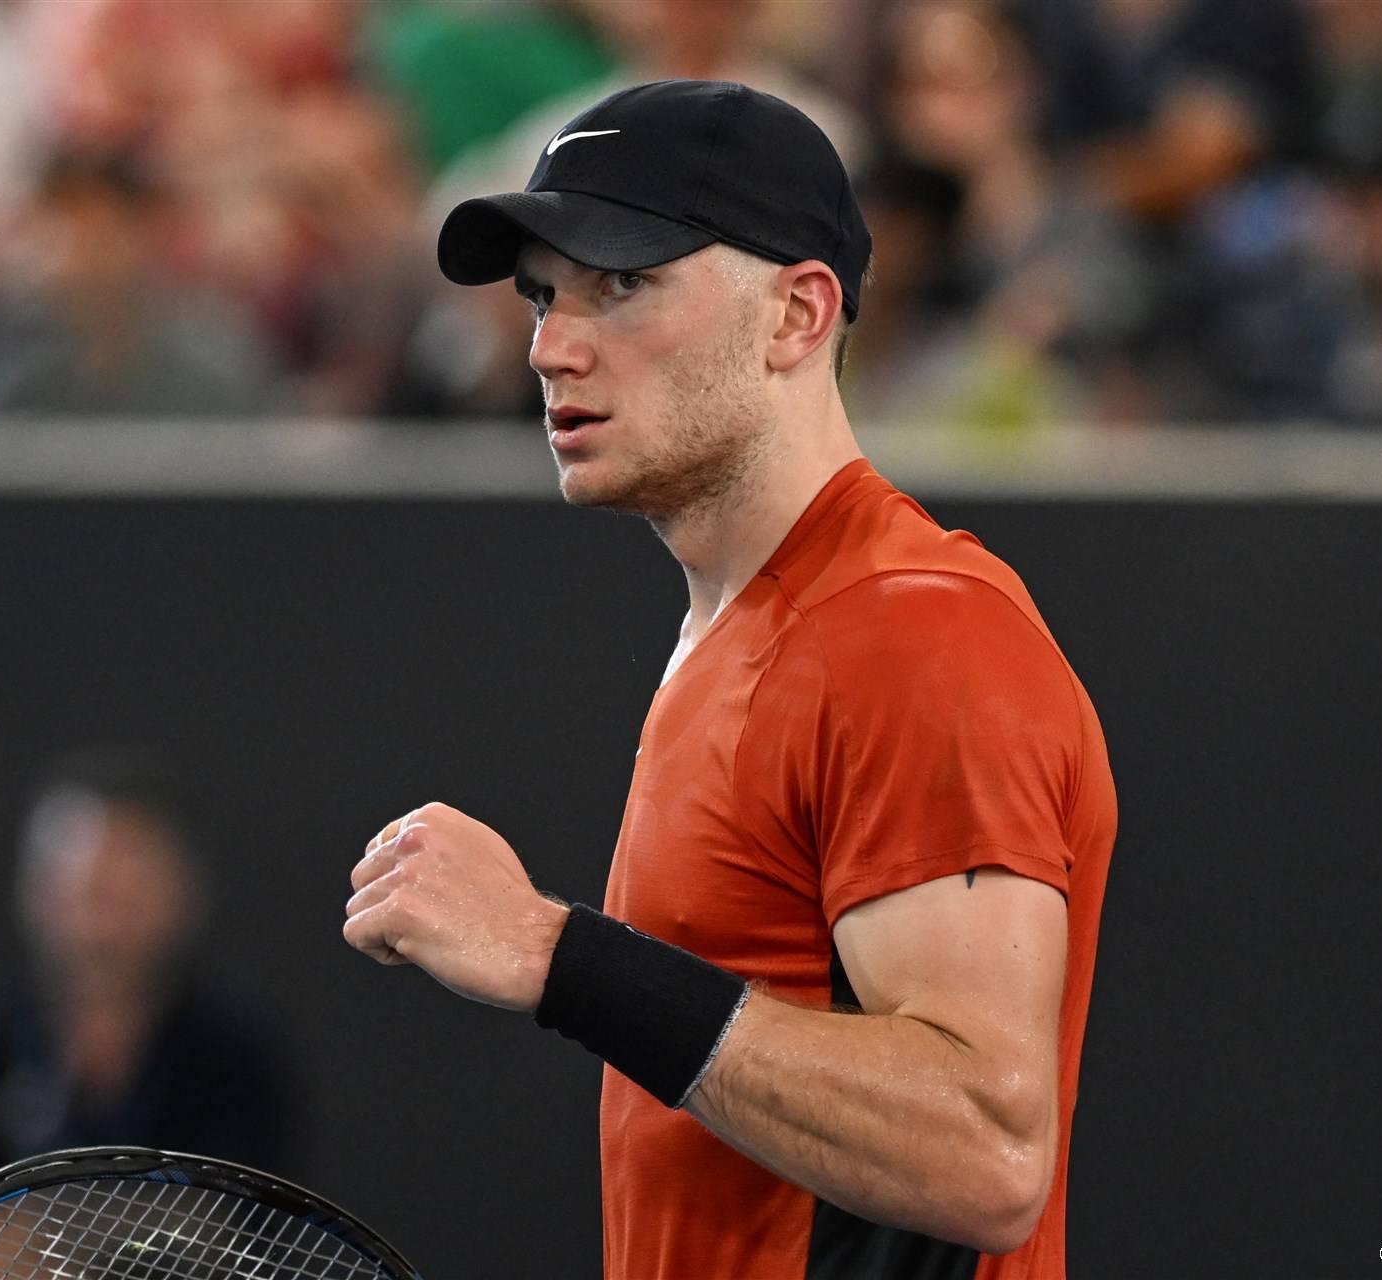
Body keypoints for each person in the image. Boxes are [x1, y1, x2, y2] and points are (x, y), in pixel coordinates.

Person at [343, 80, 1117, 1279]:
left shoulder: (911, 631)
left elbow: (986, 1147)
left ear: (797, 315)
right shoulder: (742, 630)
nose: (551, 345)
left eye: (622, 283)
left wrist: (553, 950)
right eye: (544, 293)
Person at [0, 750, 296, 1252]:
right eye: (83, 885)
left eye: (128, 885)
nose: (101, 918)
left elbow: (256, 1241)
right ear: (34, 892)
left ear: (184, 893)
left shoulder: (241, 1066)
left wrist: (33, 1241)